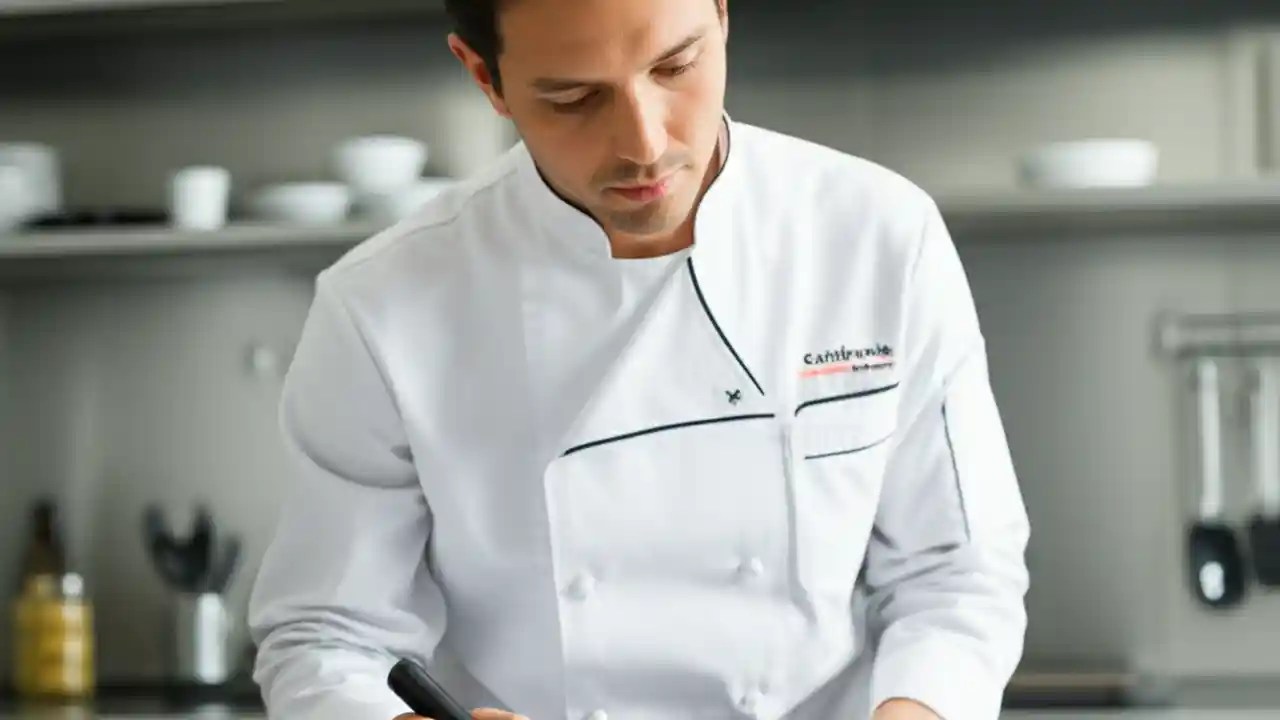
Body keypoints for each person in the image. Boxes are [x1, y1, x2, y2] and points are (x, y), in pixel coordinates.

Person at [247, 0, 1031, 718]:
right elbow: (326, 638)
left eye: (675, 66)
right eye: (574, 99)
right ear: (485, 76)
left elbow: (955, 577)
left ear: (721, 14)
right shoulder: (382, 304)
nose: (644, 144)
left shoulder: (876, 237)